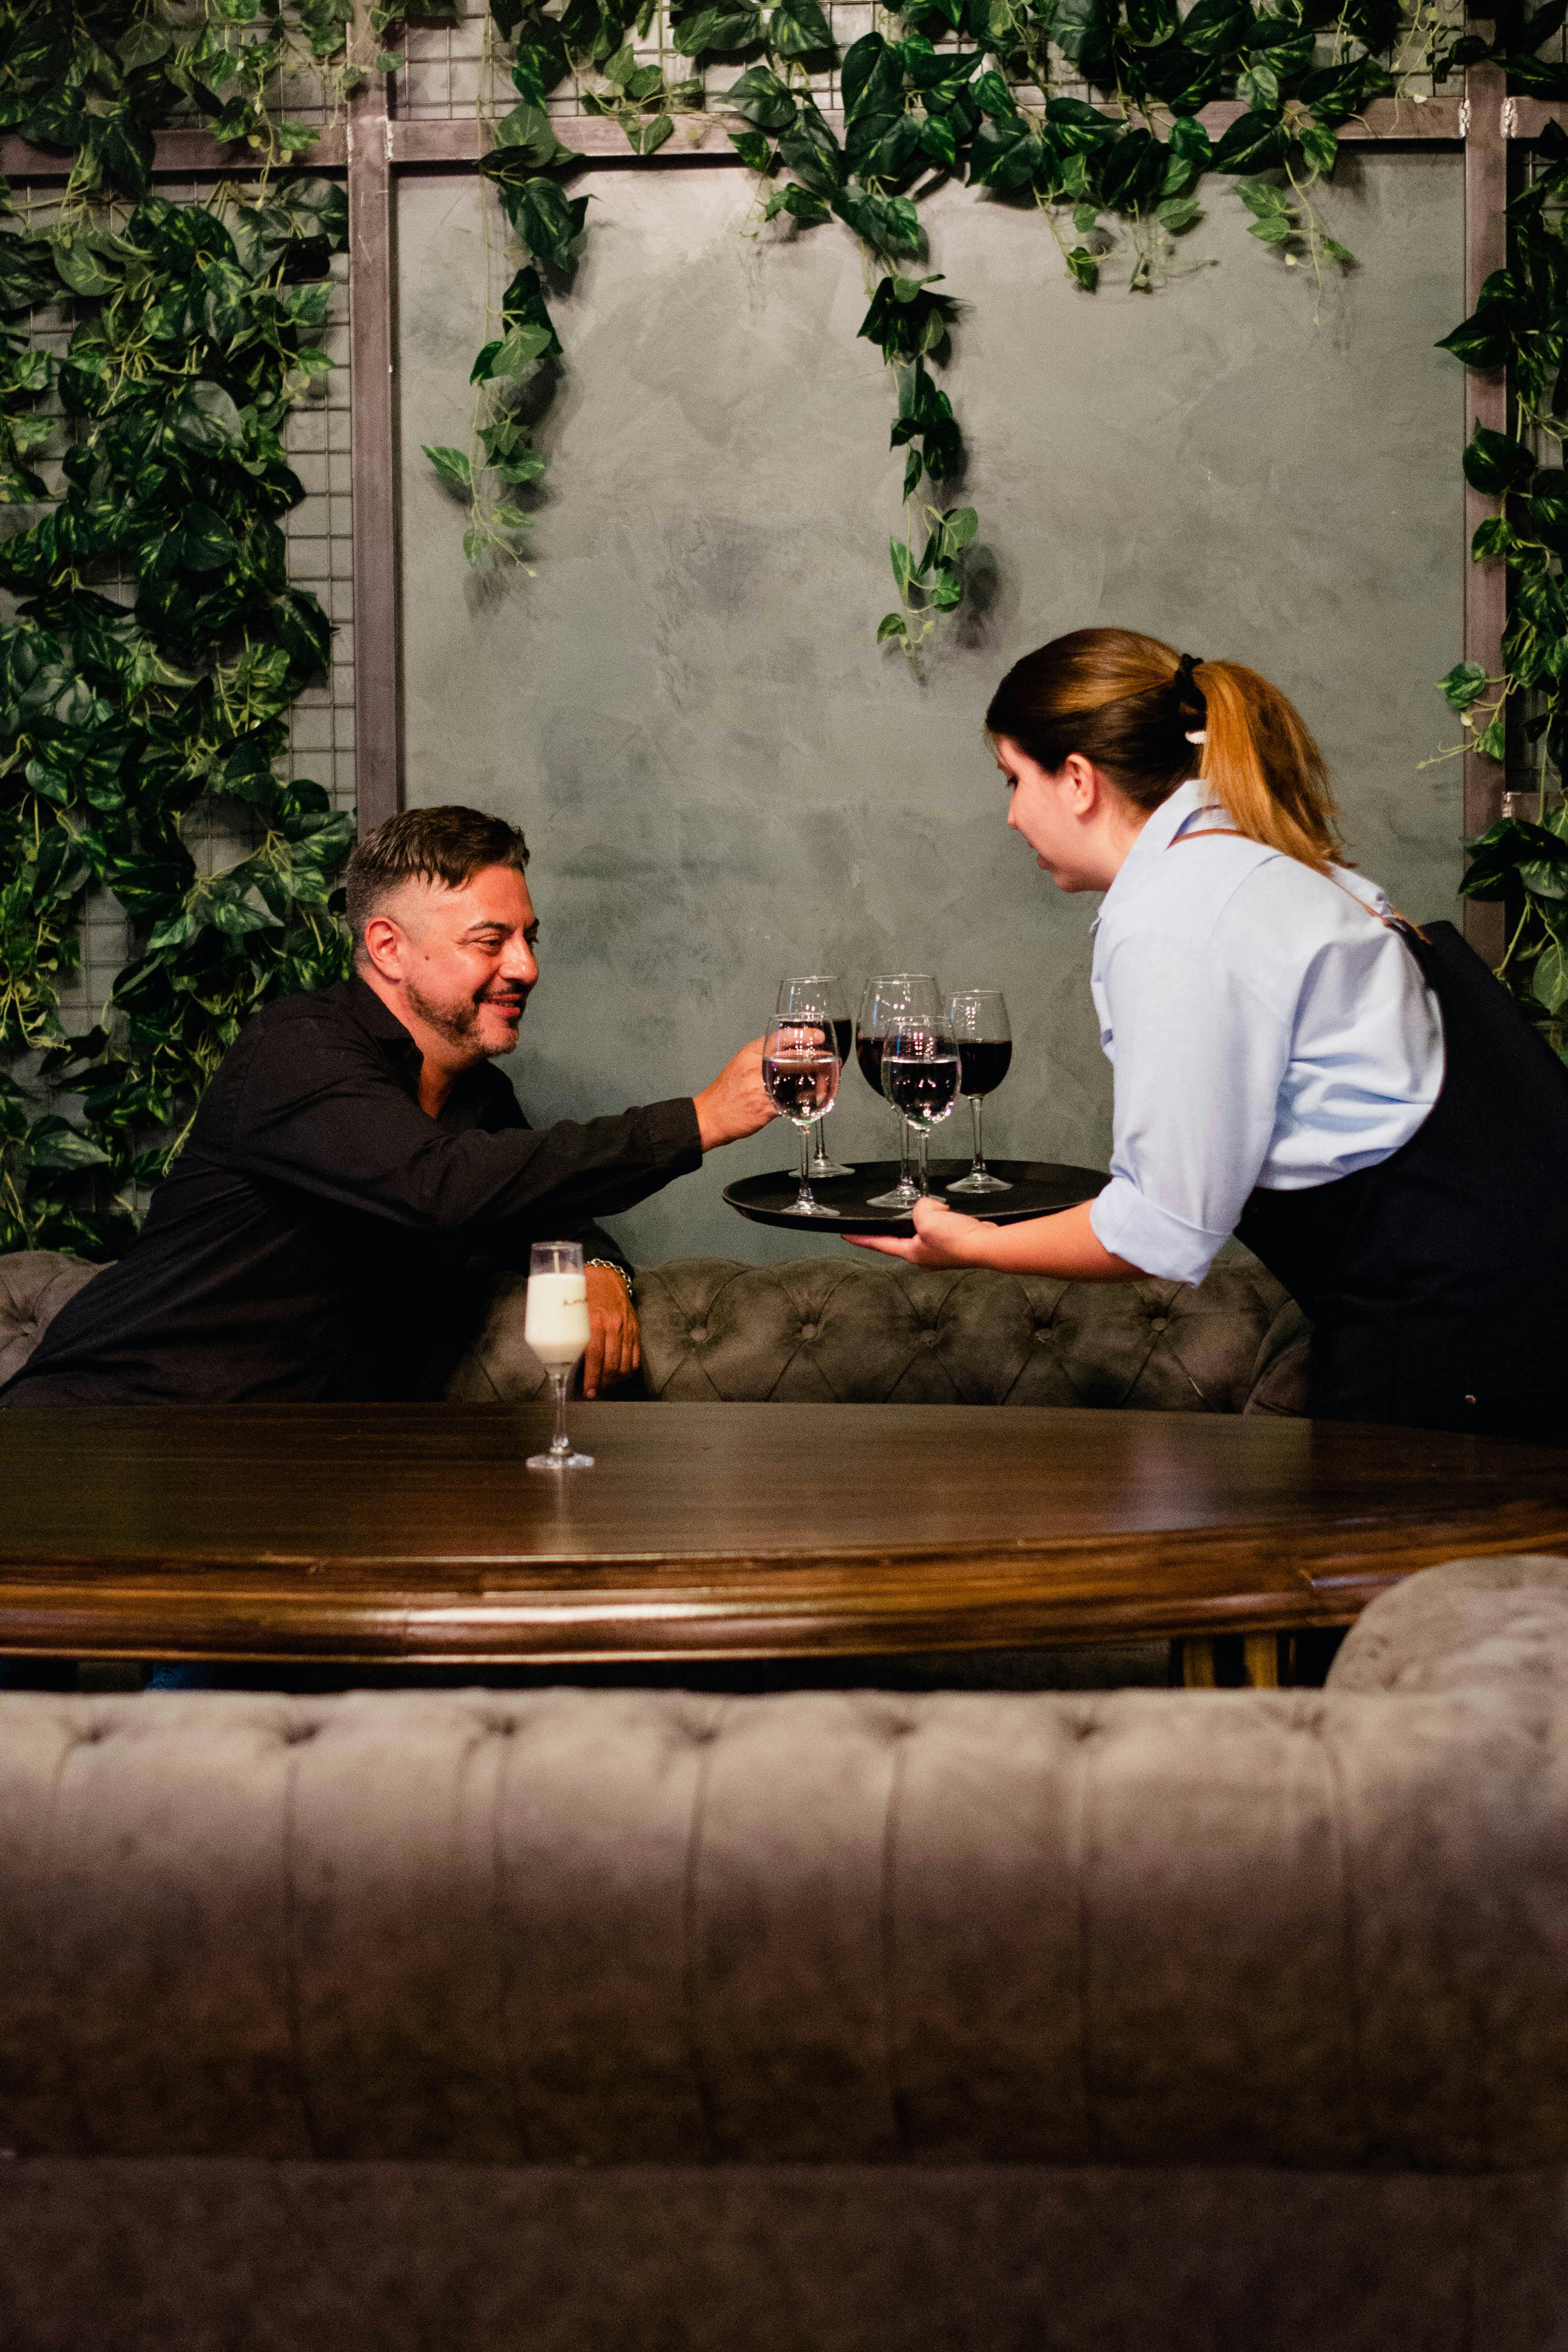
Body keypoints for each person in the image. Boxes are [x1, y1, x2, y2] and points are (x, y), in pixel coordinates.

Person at [852, 626, 1568, 1443]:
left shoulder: (1178, 915)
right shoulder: (1259, 867)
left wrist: (972, 1244)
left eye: (1014, 780)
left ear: (1078, 780)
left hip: (1469, 1351)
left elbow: (1160, 1230)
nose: (1013, 816)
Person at [1, 805, 775, 1409]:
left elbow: (535, 1201)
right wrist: (701, 1118)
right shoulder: (298, 1050)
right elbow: (442, 1190)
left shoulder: (477, 1098)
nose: (527, 967)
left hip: (265, 1467)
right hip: (102, 1431)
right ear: (388, 948)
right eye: (490, 940)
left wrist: (599, 1267)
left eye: (530, 938)